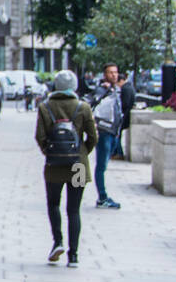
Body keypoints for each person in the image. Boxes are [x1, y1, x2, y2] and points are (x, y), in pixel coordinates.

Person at [35, 70, 99, 267]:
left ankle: (58, 242)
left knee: (54, 204)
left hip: (54, 165)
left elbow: (40, 136)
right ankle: (74, 255)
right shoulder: (83, 107)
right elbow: (93, 137)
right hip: (78, 166)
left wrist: (49, 152)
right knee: (74, 209)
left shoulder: (45, 107)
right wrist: (82, 153)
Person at [87, 62, 124, 208]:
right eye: (110, 72)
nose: (114, 75)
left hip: (113, 132)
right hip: (104, 131)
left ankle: (103, 196)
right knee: (101, 165)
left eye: (115, 72)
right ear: (105, 75)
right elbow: (92, 104)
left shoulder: (115, 89)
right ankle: (102, 197)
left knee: (104, 164)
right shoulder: (102, 90)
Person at [112, 71, 136, 160]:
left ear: (121, 80)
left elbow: (124, 104)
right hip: (127, 115)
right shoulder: (129, 87)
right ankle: (117, 152)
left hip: (124, 116)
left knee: (117, 134)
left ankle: (118, 153)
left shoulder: (125, 89)